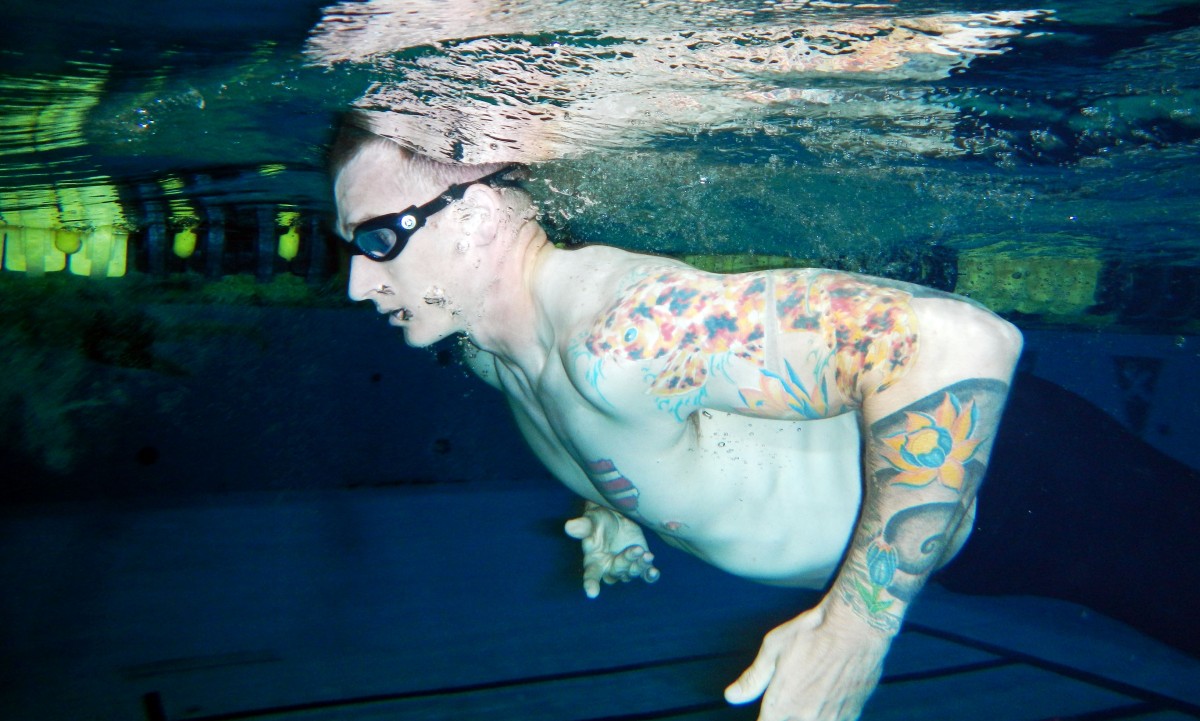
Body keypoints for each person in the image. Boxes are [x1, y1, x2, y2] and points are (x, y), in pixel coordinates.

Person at [329, 118, 1022, 721]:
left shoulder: (622, 335)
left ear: (476, 217)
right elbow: (627, 421)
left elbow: (959, 342)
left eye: (381, 239)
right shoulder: (490, 355)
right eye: (350, 247)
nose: (358, 282)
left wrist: (856, 630)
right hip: (932, 545)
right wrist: (612, 498)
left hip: (1018, 499)